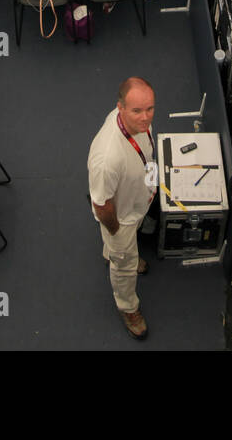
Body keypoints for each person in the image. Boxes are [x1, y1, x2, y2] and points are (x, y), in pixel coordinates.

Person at [88, 77, 158, 340]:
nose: (145, 118)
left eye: (150, 108)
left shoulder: (139, 123)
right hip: (121, 218)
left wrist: (149, 189)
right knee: (124, 266)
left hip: (138, 199)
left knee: (128, 244)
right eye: (137, 111)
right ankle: (128, 307)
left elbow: (147, 152)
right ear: (120, 108)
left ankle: (116, 250)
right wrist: (116, 231)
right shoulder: (107, 159)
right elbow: (102, 205)